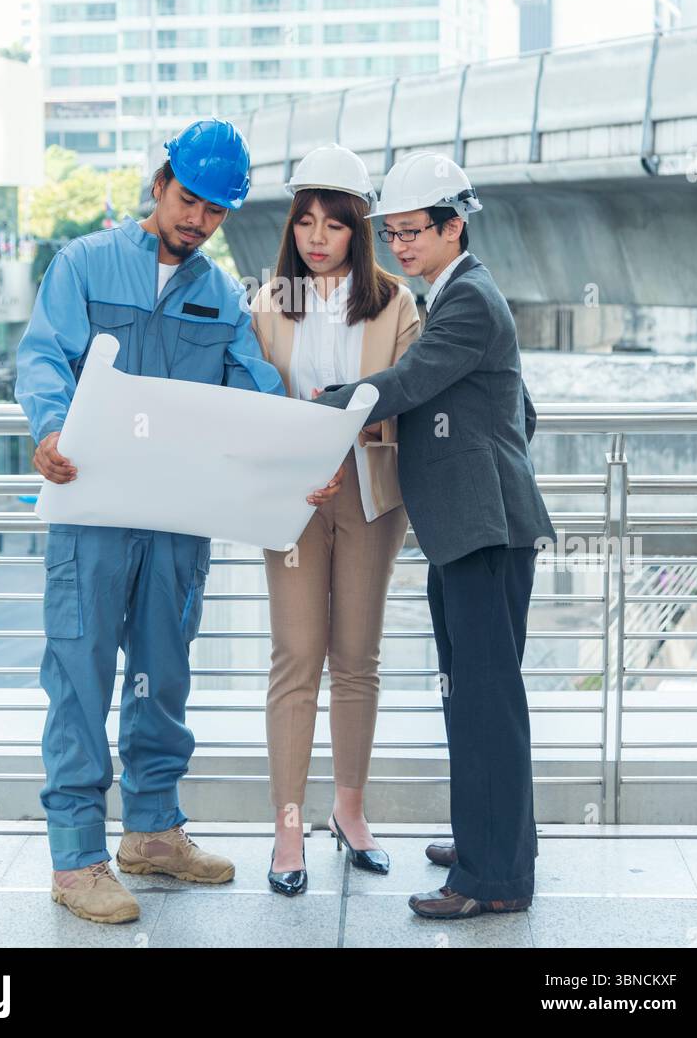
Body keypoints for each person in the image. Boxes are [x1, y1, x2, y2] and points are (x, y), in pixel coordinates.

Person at [14, 117, 296, 925]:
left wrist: (303, 457)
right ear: (159, 182)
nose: (198, 221)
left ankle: (151, 831)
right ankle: (76, 860)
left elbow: (256, 390)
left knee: (162, 675)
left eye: (214, 212)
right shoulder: (84, 263)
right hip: (93, 510)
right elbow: (41, 359)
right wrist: (47, 428)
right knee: (79, 678)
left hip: (177, 520)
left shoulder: (219, 296)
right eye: (189, 200)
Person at [311, 151, 557, 921]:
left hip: (481, 531)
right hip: (467, 528)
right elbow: (521, 412)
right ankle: (490, 839)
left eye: (413, 231)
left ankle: (492, 880)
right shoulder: (459, 294)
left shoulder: (467, 301)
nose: (398, 246)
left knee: (484, 704)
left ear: (454, 225)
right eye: (390, 233)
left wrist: (334, 402)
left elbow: (411, 384)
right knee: (473, 699)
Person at [250, 145, 420, 895]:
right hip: (290, 496)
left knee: (357, 655)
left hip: (367, 492)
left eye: (335, 224)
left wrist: (349, 435)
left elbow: (411, 398)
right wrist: (294, 453)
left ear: (359, 229)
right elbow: (249, 406)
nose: (318, 238)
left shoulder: (395, 303)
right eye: (306, 223)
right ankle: (288, 825)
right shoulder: (265, 303)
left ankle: (349, 813)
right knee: (296, 656)